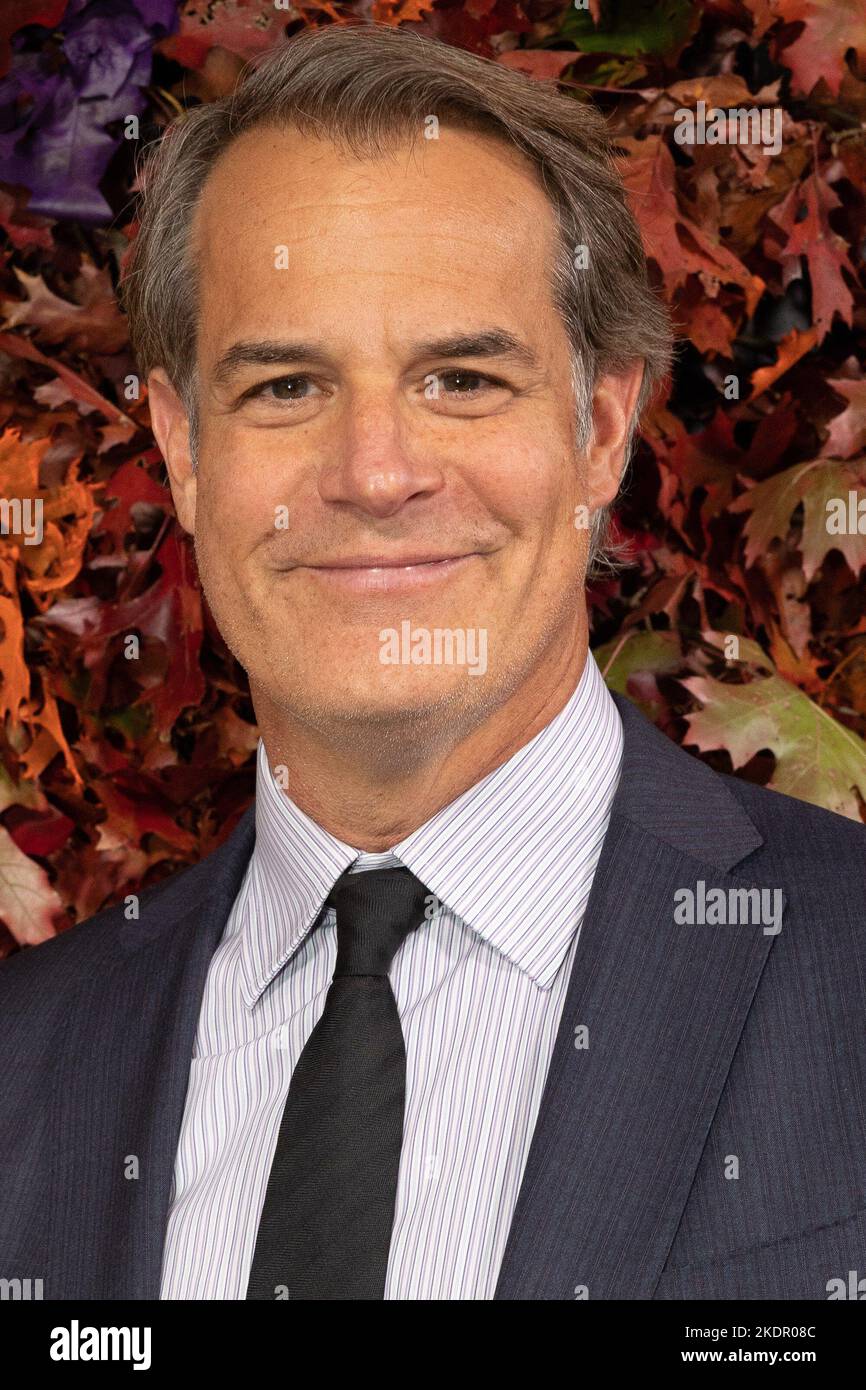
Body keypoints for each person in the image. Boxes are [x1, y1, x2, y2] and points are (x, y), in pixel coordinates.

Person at [1, 21, 864, 1302]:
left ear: (601, 431)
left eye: (461, 378)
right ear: (183, 449)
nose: (374, 475)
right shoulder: (27, 1061)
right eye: (285, 387)